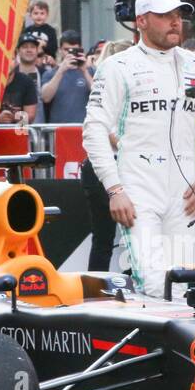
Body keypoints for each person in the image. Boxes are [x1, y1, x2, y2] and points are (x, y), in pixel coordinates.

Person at [82, 0, 195, 297]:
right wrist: (115, 188)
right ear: (141, 21)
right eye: (164, 15)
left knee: (181, 284)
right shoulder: (117, 67)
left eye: (178, 15)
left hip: (184, 192)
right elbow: (94, 129)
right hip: (138, 191)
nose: (175, 22)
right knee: (152, 280)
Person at [78, 39, 132, 272]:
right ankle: (96, 290)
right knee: (112, 237)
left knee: (105, 239)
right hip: (109, 167)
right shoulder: (111, 90)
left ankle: (96, 289)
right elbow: (107, 133)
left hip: (103, 167)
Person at [41, 29, 93, 124]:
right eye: (66, 50)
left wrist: (84, 71)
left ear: (81, 49)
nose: (70, 53)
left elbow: (100, 95)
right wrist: (61, 70)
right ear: (60, 50)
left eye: (74, 50)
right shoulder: (50, 73)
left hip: (85, 129)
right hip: (59, 129)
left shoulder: (91, 71)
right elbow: (46, 98)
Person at [0, 33, 41, 124]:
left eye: (12, 59)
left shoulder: (27, 82)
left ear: (16, 60)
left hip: (18, 133)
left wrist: (12, 117)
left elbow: (31, 117)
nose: (8, 63)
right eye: (5, 59)